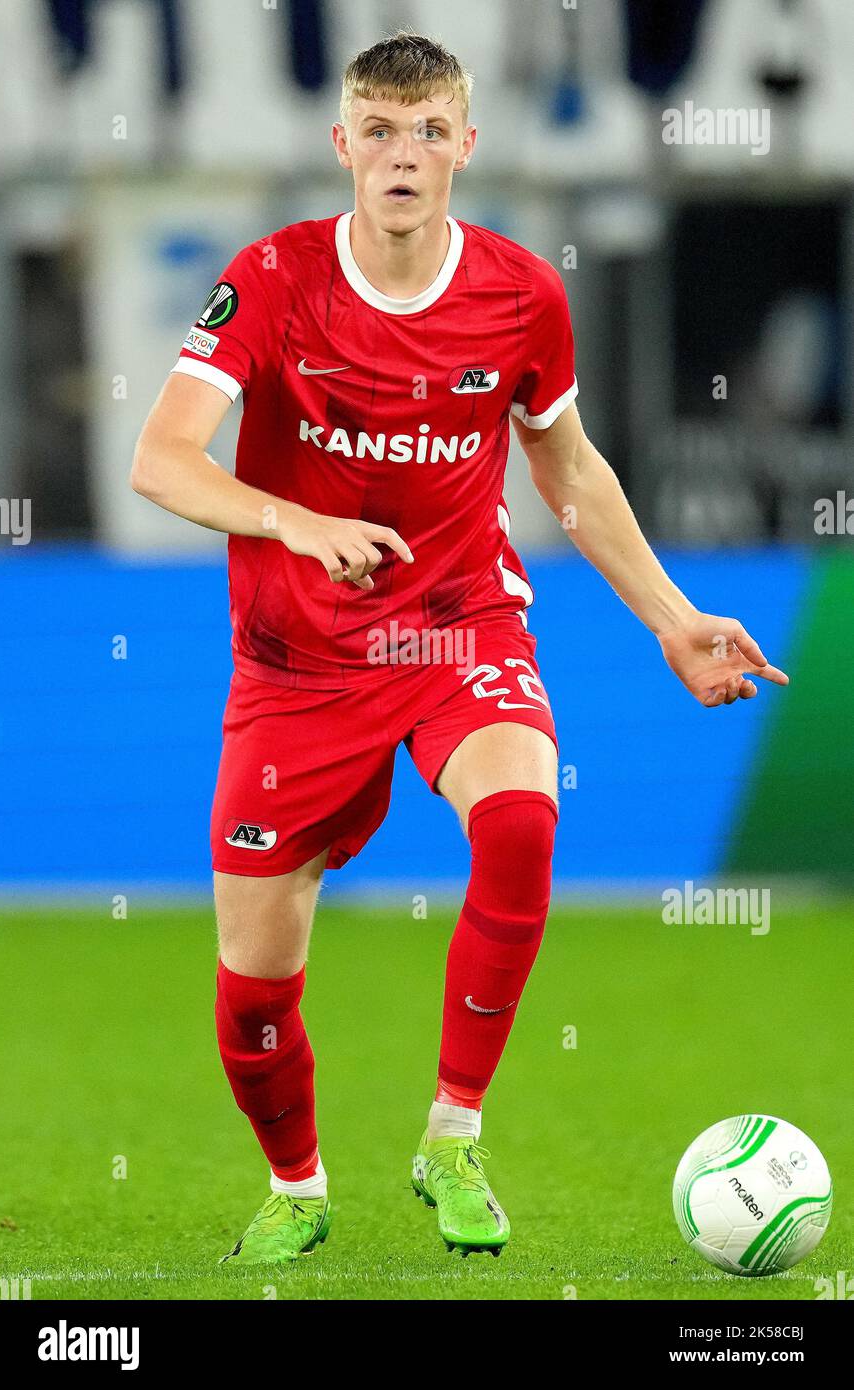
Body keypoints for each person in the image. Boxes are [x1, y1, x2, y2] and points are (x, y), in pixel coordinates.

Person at [131, 30, 788, 1263]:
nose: (402, 153)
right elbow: (158, 458)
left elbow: (569, 472)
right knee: (255, 989)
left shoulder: (520, 294)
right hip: (296, 662)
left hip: (453, 627)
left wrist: (672, 616)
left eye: (428, 130)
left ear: (462, 149)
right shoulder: (269, 281)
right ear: (342, 146)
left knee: (522, 820)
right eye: (378, 130)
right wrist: (296, 520)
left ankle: (451, 1130)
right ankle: (297, 1185)